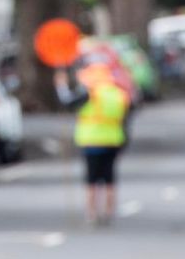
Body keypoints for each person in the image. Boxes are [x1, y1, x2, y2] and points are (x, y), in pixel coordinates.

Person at [56, 61, 130, 225]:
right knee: (109, 178)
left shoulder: (90, 94)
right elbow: (126, 119)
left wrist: (61, 86)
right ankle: (109, 212)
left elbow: (67, 102)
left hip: (92, 142)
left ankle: (92, 213)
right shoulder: (118, 94)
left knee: (92, 180)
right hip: (113, 141)